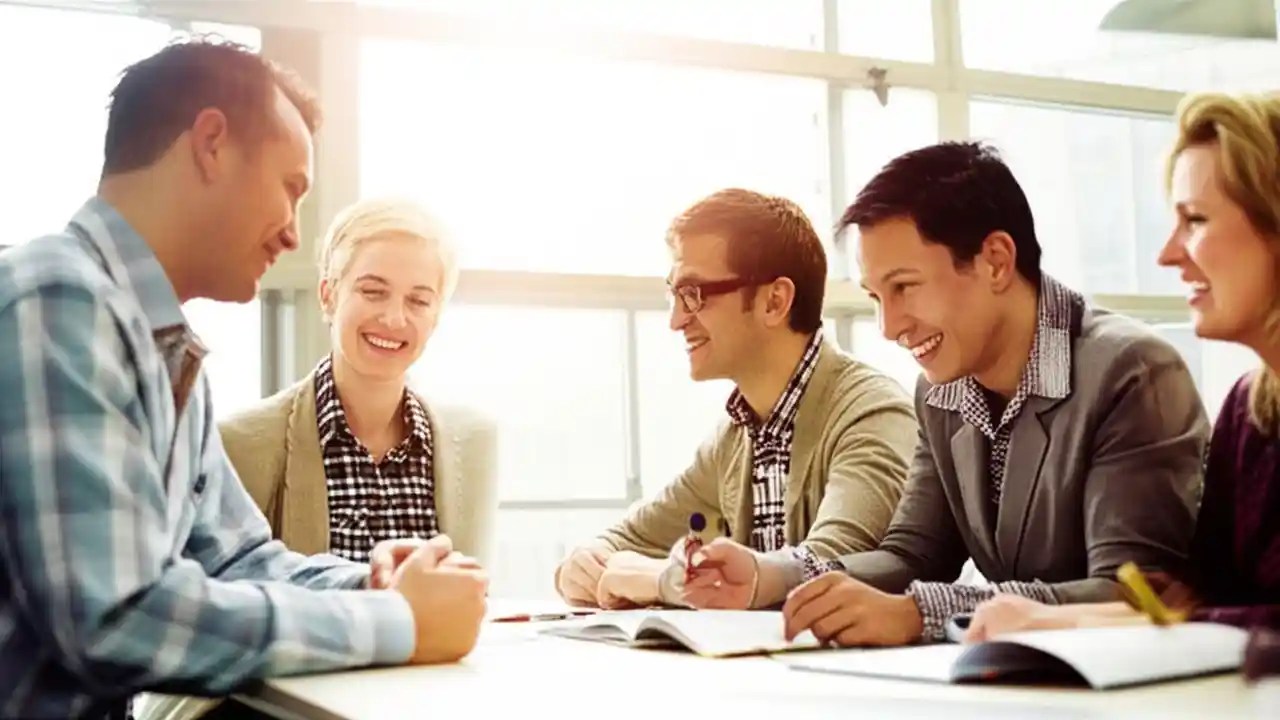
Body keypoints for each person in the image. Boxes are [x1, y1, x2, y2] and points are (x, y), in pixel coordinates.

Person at [0, 39, 485, 719]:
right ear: (212, 143)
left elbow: (238, 558)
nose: (291, 233)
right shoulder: (55, 298)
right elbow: (114, 618)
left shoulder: (165, 350)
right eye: (291, 188)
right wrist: (398, 624)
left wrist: (377, 587)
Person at [685, 142, 1209, 646]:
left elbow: (1132, 593)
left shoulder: (1131, 371)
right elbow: (911, 556)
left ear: (996, 261)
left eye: (905, 287)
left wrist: (920, 614)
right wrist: (768, 574)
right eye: (876, 297)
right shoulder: (941, 394)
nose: (889, 327)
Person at [964, 91, 1280, 642]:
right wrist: (1048, 621)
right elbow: (1198, 599)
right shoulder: (1249, 411)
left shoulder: (1130, 369)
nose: (1168, 254)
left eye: (1196, 220)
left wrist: (1066, 619)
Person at [555, 188, 918, 610]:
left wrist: (668, 581)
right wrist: (584, 562)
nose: (676, 320)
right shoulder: (733, 438)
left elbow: (828, 566)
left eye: (693, 293)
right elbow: (625, 539)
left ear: (775, 301)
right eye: (673, 295)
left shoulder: (873, 414)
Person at [218, 197, 498, 567]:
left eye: (418, 300)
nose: (395, 318)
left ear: (437, 317)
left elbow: (473, 599)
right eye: (373, 291)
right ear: (328, 296)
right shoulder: (240, 444)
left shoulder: (473, 440)